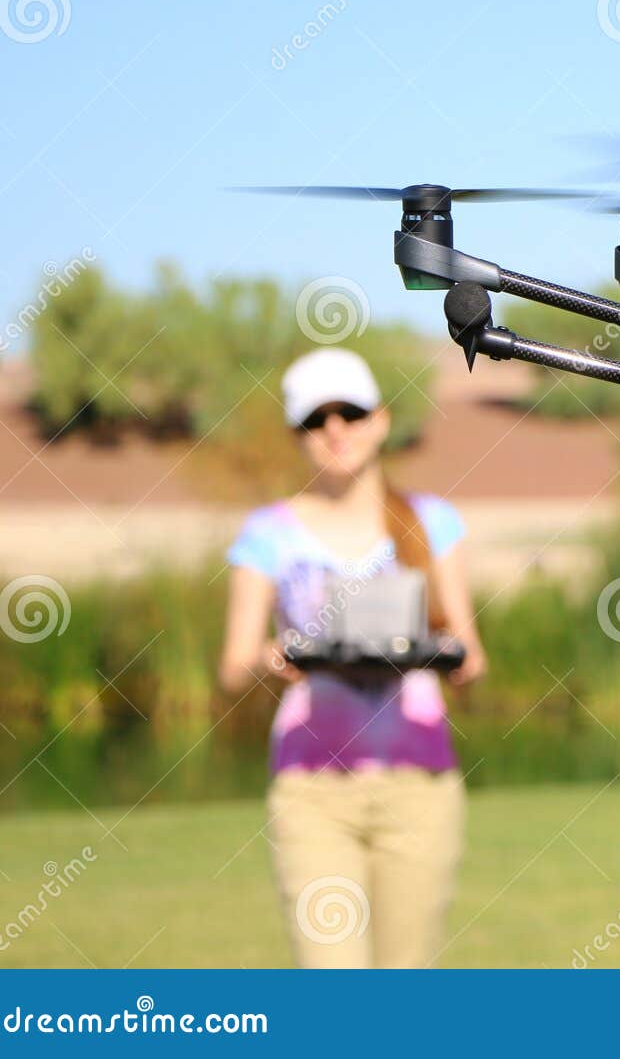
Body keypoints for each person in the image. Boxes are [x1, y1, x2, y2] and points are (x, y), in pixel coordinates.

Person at [217, 347, 486, 968]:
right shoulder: (269, 533)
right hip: (313, 792)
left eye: (351, 412)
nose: (336, 430)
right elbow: (234, 665)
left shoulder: (431, 522)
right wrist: (273, 657)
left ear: (382, 420)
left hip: (420, 787)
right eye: (317, 419)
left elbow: (473, 658)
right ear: (299, 436)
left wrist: (440, 655)